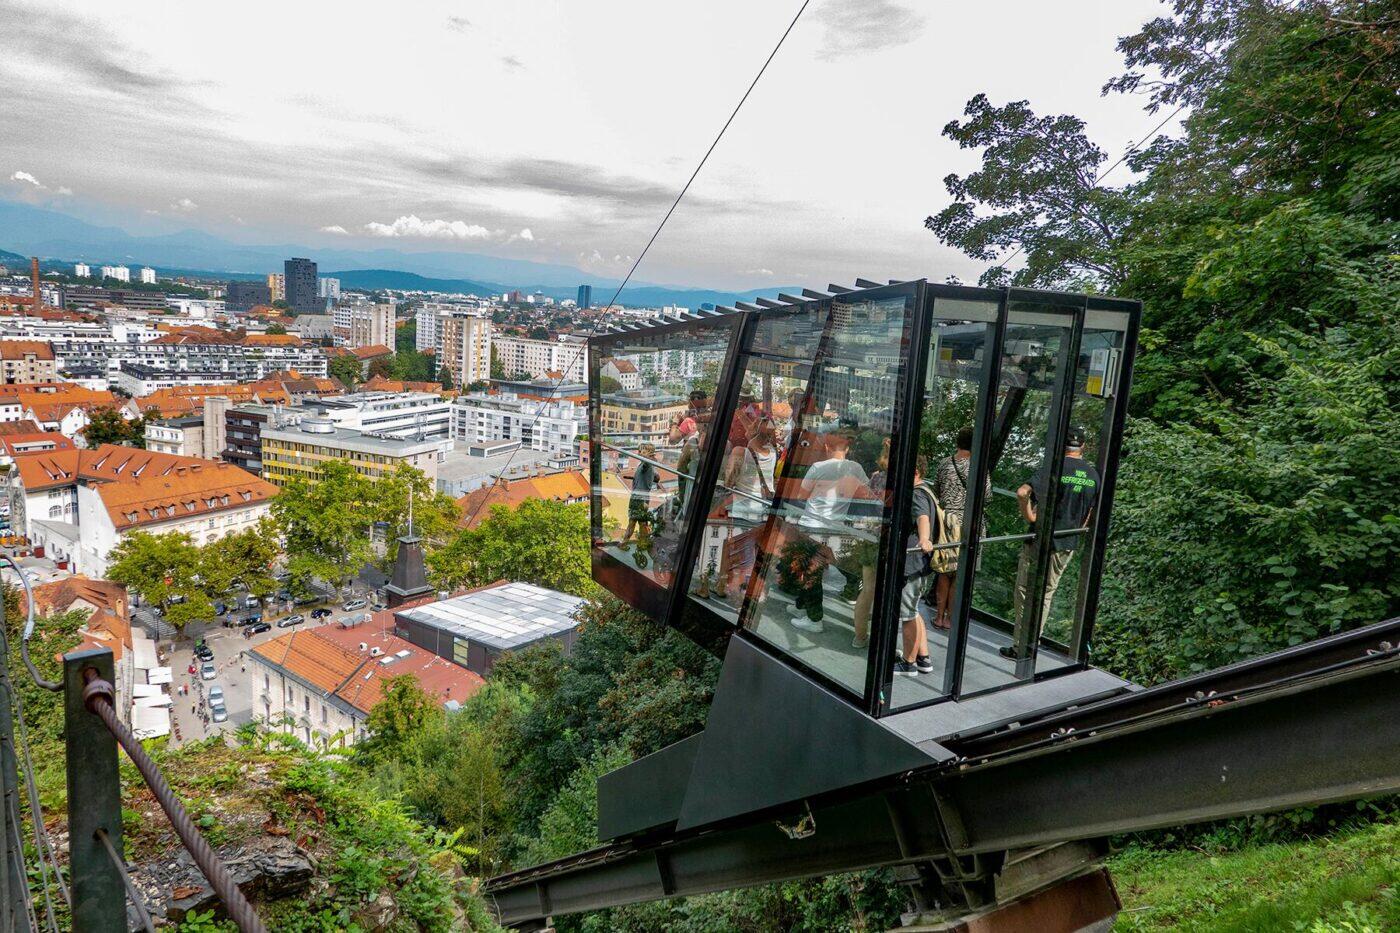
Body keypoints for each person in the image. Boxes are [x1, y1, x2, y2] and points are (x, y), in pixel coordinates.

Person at [1004, 427, 1100, 661]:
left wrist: (1030, 517)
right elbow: (1088, 514)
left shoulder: (1053, 468)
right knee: (1046, 594)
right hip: (1067, 542)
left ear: (1061, 445)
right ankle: (1033, 644)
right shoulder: (1093, 475)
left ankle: (1020, 647)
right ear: (1083, 447)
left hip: (1040, 540)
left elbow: (1022, 492)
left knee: (1026, 591)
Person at [782, 427, 870, 634]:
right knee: (814, 568)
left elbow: (802, 495)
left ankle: (814, 620)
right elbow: (865, 493)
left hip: (812, 526)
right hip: (836, 527)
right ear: (847, 448)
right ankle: (801, 607)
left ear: (827, 446)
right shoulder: (855, 468)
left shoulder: (817, 466)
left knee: (811, 573)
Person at [930, 427, 992, 630]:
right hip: (970, 521)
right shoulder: (978, 466)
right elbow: (988, 496)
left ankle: (938, 616)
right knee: (960, 572)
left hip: (947, 521)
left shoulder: (945, 463)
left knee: (944, 570)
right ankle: (950, 619)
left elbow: (937, 491)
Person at [896, 457, 938, 675]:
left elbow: (922, 517)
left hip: (912, 560)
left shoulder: (916, 493)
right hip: (919, 562)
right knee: (913, 609)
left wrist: (924, 539)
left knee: (908, 614)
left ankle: (908, 663)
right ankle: (923, 657)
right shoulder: (927, 490)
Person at [725, 417, 778, 524]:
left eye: (751, 423)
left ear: (754, 431)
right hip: (763, 510)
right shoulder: (772, 452)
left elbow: (728, 483)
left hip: (742, 512)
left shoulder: (739, 452)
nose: (747, 426)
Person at [620, 443, 659, 547]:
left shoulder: (647, 464)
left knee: (635, 522)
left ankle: (627, 543)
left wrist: (649, 457)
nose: (639, 453)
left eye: (642, 451)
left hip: (639, 498)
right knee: (640, 522)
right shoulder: (646, 465)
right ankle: (641, 543)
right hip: (641, 497)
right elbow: (656, 477)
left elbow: (647, 463)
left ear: (649, 453)